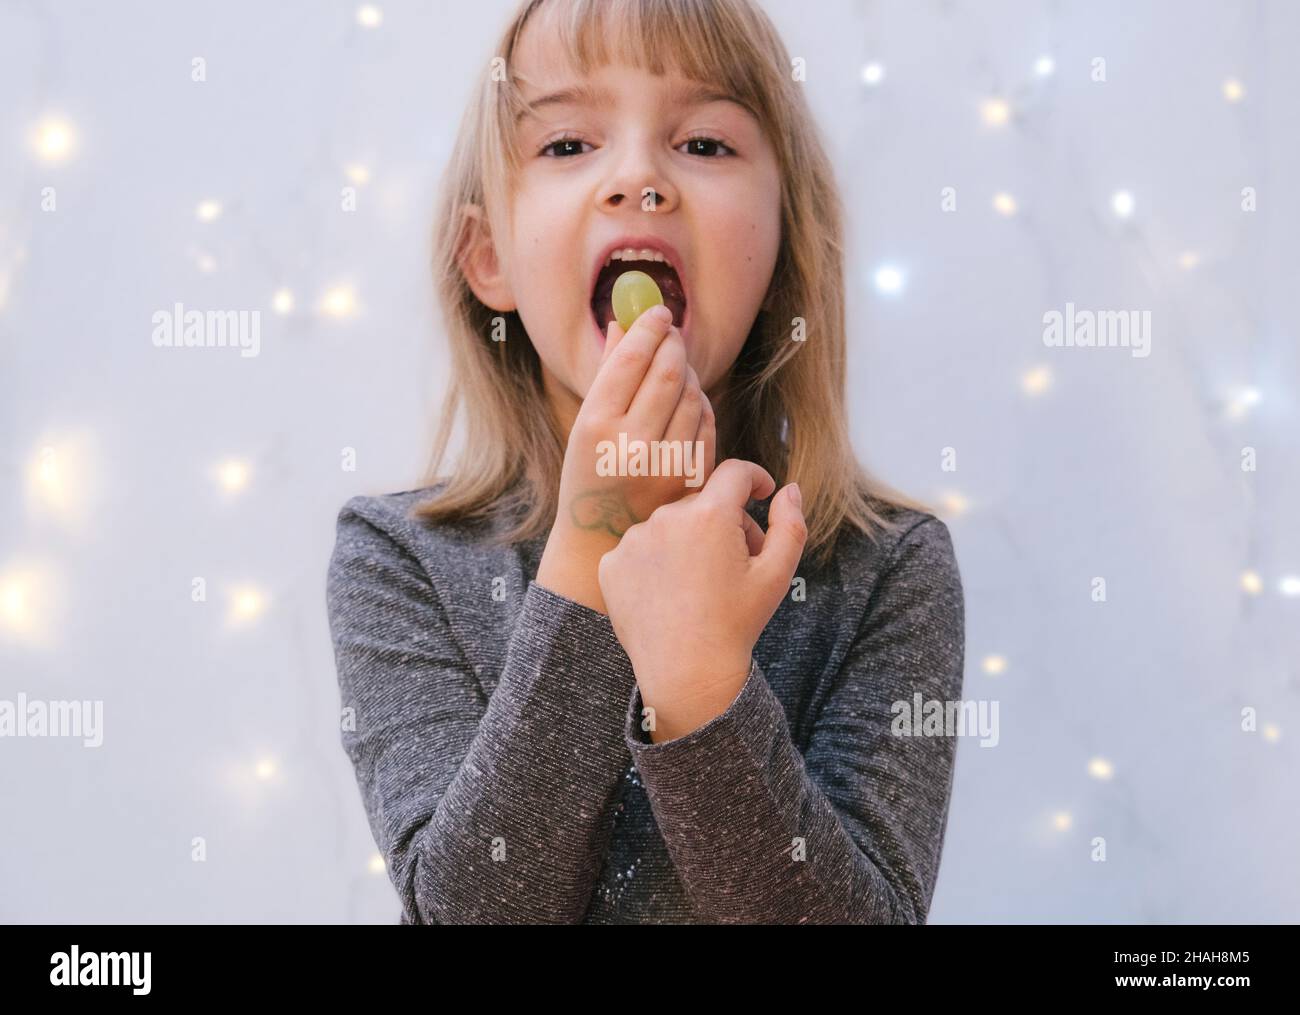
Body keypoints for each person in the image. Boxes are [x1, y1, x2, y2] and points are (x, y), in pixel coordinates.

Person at [327, 0, 965, 924]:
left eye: (704, 143)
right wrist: (596, 545)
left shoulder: (885, 569)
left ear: (782, 247)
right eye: (567, 144)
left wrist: (699, 680)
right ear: (487, 257)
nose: (639, 180)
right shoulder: (400, 558)